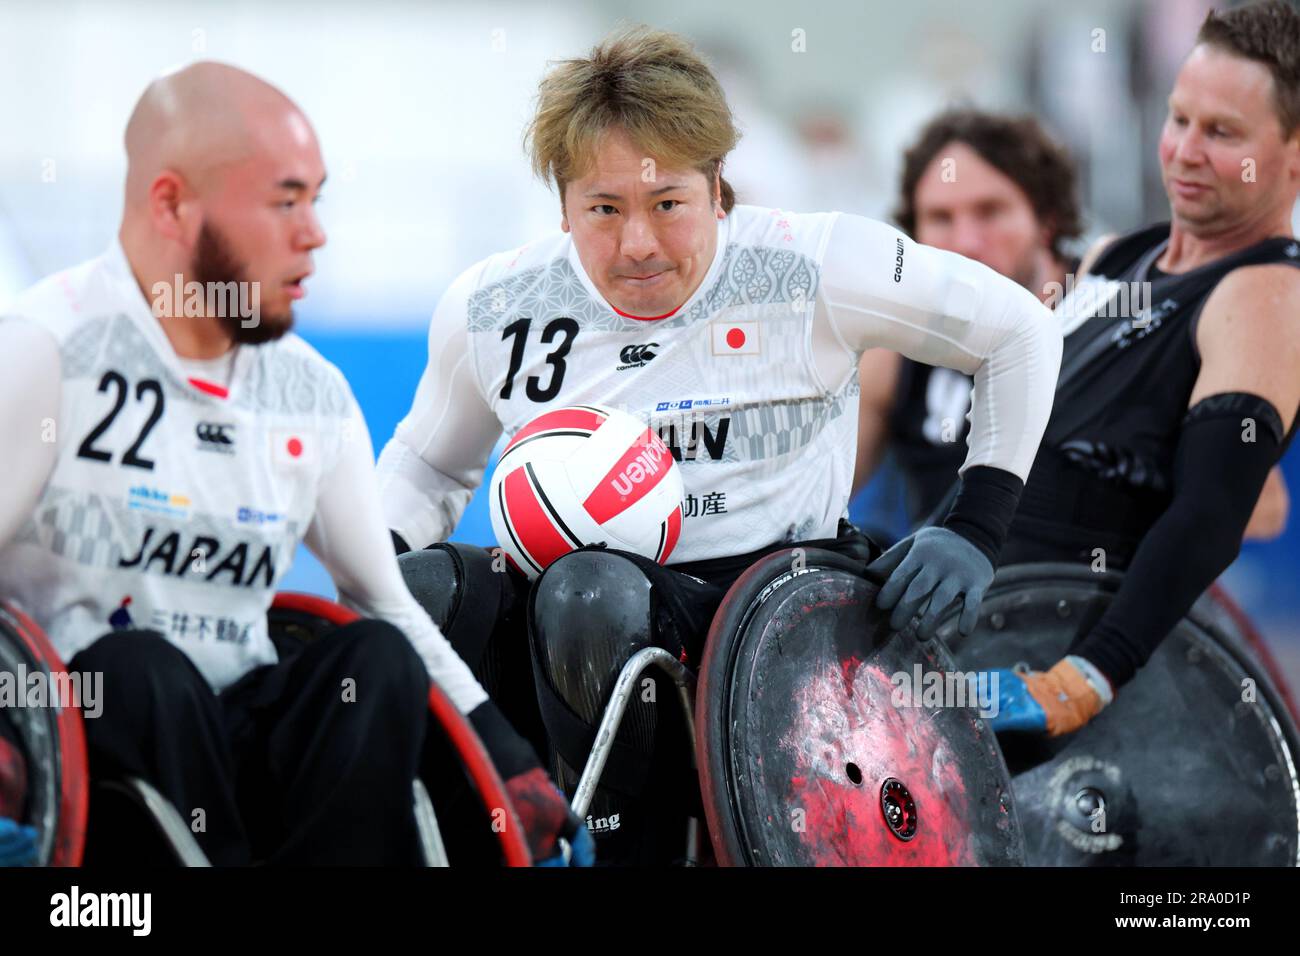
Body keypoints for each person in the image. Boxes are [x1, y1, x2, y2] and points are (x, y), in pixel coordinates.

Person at [378, 26, 1062, 863]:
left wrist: (976, 524)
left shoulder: (814, 264)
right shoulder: (492, 306)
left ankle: (632, 849)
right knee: (409, 594)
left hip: (777, 605)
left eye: (667, 202)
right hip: (581, 611)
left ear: (718, 192)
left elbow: (1020, 330)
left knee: (587, 593)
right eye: (603, 209)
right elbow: (428, 465)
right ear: (562, 208)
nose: (638, 243)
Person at [0, 62, 586, 866]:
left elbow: (384, 604)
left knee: (371, 661)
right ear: (171, 203)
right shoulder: (45, 351)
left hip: (237, 735)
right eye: (284, 201)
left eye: (316, 198)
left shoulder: (309, 391)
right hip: (83, 741)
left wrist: (509, 762)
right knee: (139, 672)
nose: (314, 232)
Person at [986, 0, 1300, 737]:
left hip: (1066, 673)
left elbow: (1210, 517)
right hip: (982, 625)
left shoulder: (1268, 294)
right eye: (1179, 118)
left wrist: (1084, 681)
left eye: (1221, 133)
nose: (1185, 150)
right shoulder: (1116, 257)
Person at [854, 106, 1288, 540]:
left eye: (990, 211)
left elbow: (1263, 508)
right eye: (941, 218)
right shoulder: (896, 349)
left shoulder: (1119, 319)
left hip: (1086, 593)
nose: (966, 242)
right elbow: (820, 496)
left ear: (1047, 221)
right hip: (946, 598)